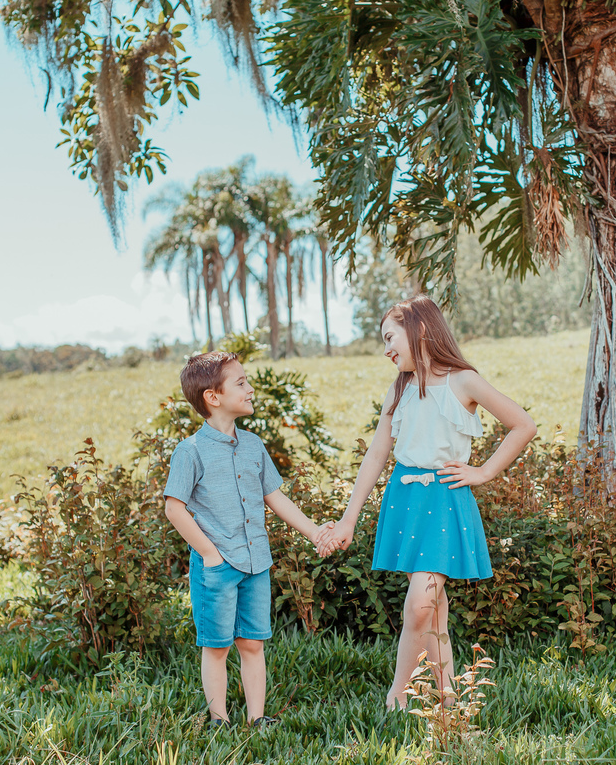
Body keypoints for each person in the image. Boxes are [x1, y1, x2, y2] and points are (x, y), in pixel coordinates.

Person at [319, 295, 536, 709]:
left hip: (444, 500)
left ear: (418, 328)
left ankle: (398, 694)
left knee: (420, 603)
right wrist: (349, 519)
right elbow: (377, 454)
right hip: (405, 499)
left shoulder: (463, 380)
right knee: (431, 607)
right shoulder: (399, 387)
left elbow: (523, 425)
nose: (385, 349)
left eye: (389, 337)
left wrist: (483, 472)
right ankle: (448, 695)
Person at [164, 351, 335, 728]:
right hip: (217, 567)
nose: (250, 388)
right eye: (241, 383)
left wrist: (315, 532)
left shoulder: (254, 445)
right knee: (217, 646)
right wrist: (209, 554)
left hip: (256, 562)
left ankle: (257, 718)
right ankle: (219, 719)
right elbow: (174, 509)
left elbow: (275, 498)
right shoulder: (190, 452)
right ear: (213, 397)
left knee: (253, 643)